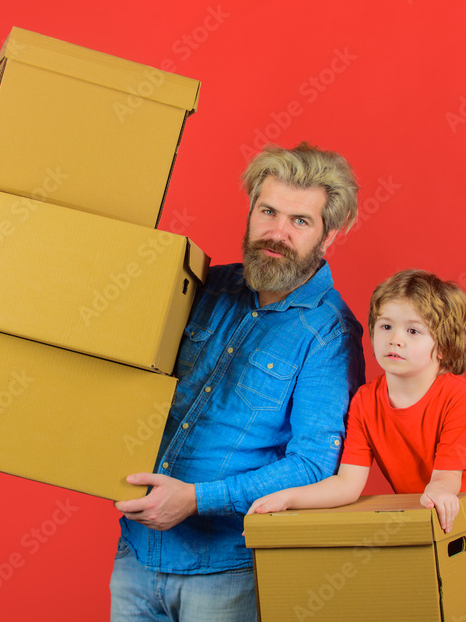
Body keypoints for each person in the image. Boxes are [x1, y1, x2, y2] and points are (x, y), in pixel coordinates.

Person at [110, 142, 366, 621]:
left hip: (228, 571)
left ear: (328, 236)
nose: (277, 232)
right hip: (136, 552)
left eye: (300, 221)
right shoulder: (206, 285)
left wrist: (196, 500)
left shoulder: (330, 334)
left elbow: (314, 464)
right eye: (268, 211)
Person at [248, 269, 466, 622]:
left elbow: (447, 480)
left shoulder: (458, 396)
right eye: (386, 326)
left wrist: (438, 491)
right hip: (435, 528)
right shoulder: (366, 402)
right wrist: (288, 498)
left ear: (443, 346)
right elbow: (347, 484)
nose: (395, 340)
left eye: (413, 331)